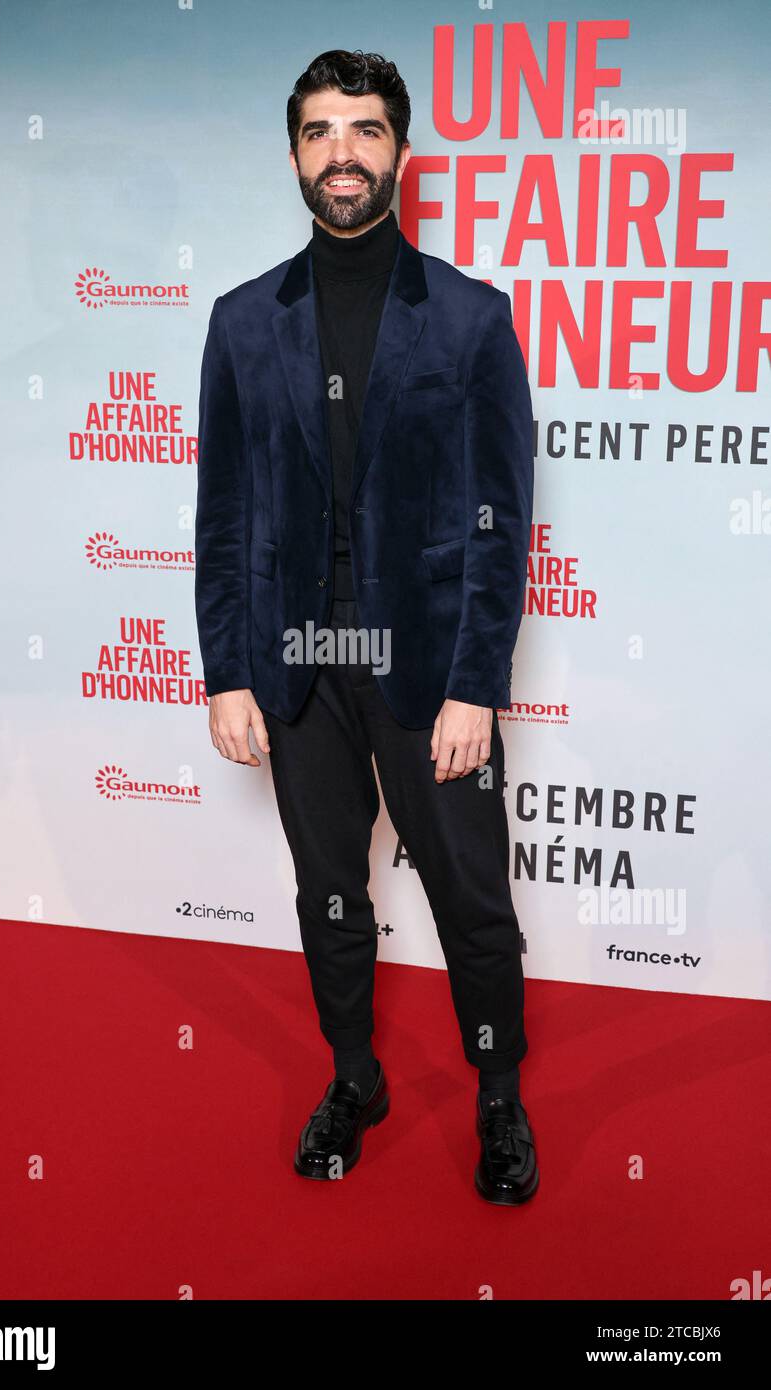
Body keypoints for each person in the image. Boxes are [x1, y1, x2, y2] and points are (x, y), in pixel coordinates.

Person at [194, 49, 538, 1204]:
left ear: (399, 152)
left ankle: (499, 1095)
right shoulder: (243, 324)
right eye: (321, 131)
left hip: (430, 662)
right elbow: (225, 510)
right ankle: (357, 1078)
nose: (343, 152)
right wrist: (228, 670)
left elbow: (503, 523)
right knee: (330, 890)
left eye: (367, 129)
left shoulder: (473, 322)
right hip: (300, 664)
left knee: (473, 901)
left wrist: (476, 684)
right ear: (295, 152)